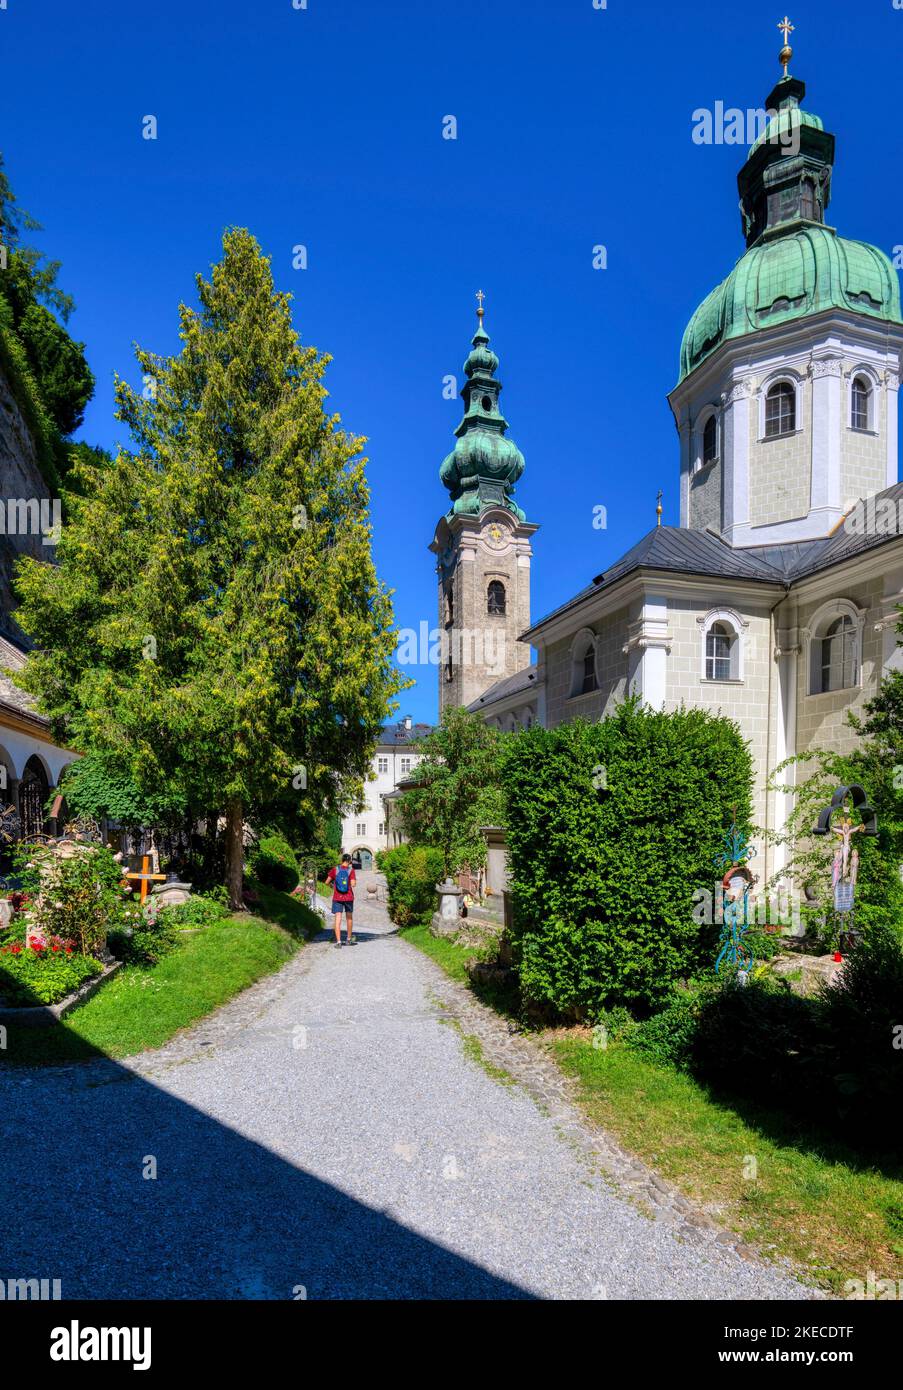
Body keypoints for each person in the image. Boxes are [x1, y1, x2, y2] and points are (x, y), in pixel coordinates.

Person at [326, 853, 356, 948]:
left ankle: (338, 942)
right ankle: (348, 939)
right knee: (349, 918)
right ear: (350, 861)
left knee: (338, 919)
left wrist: (334, 885)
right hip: (348, 897)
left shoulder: (335, 869)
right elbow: (353, 884)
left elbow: (326, 882)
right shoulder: (351, 870)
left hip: (337, 897)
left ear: (342, 860)